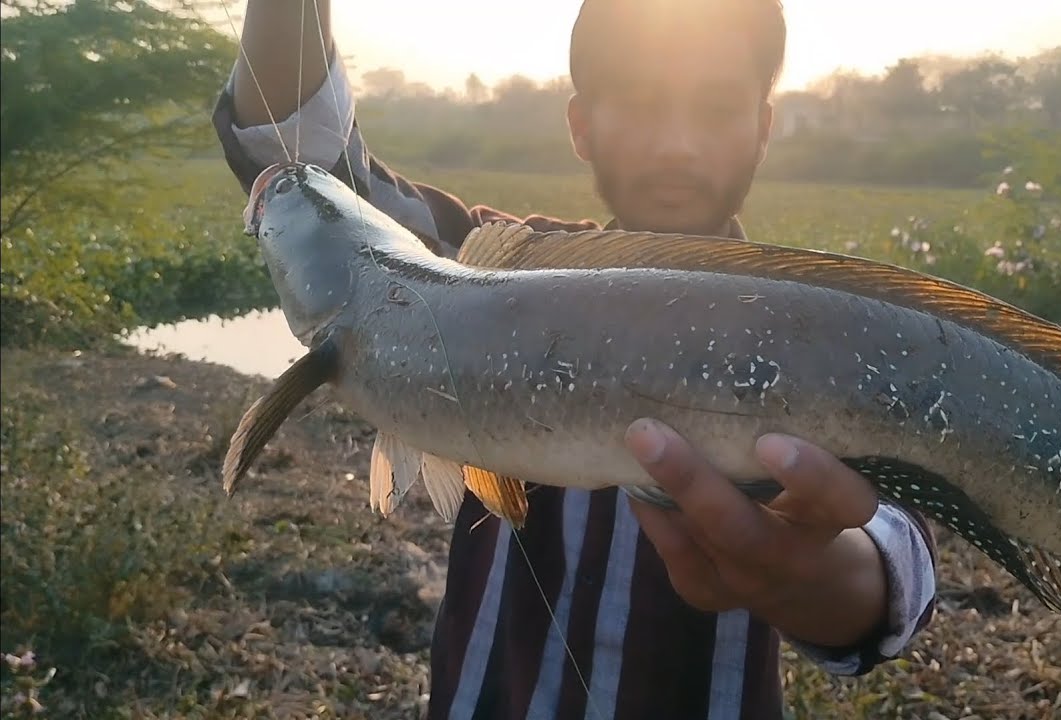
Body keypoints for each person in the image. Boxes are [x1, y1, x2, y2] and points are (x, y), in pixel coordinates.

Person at [212, 2, 938, 718]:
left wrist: (823, 580)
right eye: (640, 104)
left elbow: (897, 555)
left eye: (717, 108)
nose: (678, 145)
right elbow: (300, 154)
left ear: (763, 128)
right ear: (582, 125)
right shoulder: (488, 270)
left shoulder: (812, 330)